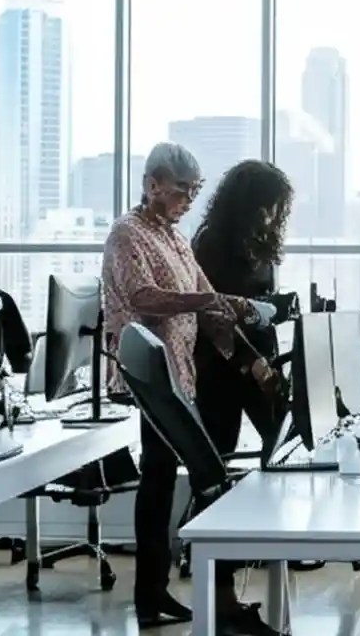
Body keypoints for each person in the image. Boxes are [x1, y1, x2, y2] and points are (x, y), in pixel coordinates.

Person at [101, 143, 277, 633]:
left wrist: (245, 341)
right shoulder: (127, 234)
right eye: (182, 190)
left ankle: (156, 593)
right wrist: (216, 299)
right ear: (152, 183)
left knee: (164, 479)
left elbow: (209, 306)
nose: (188, 199)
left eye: (195, 191)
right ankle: (151, 594)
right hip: (150, 377)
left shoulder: (175, 238)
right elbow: (144, 297)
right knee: (162, 479)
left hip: (182, 375)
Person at [192, 160, 295, 455]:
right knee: (218, 457)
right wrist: (252, 361)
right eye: (268, 206)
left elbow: (260, 307)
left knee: (284, 446)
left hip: (259, 365)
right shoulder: (211, 243)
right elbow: (213, 314)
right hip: (221, 367)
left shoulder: (261, 245)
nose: (273, 215)